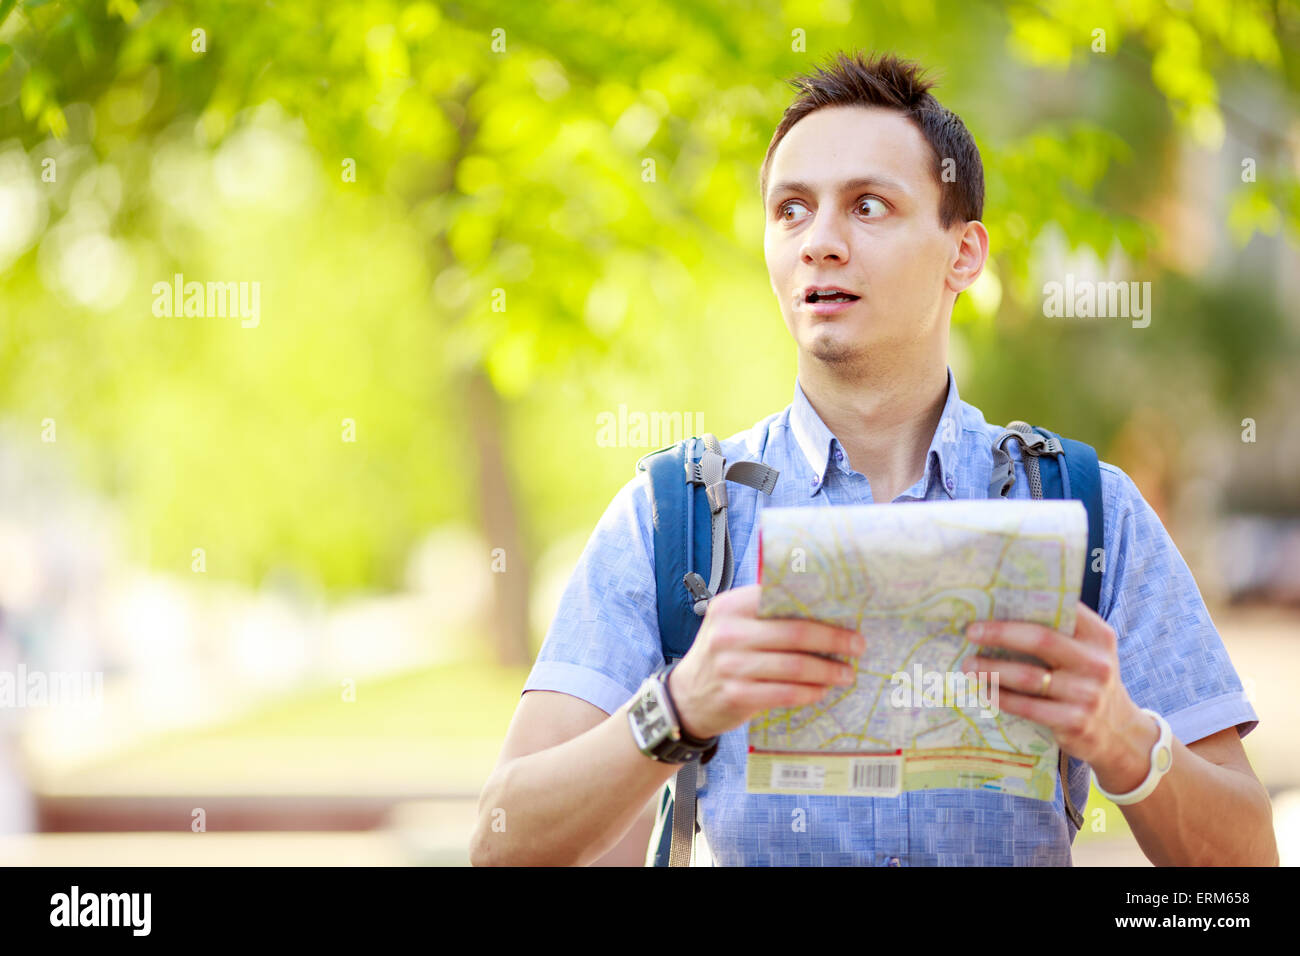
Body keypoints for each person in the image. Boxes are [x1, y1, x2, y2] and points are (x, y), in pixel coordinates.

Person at [469, 50, 1276, 866]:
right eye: (791, 209)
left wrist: (1122, 735)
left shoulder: (1088, 510)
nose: (819, 242)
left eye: (867, 205)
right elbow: (502, 842)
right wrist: (676, 709)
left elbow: (1247, 862)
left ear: (964, 254)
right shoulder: (673, 517)